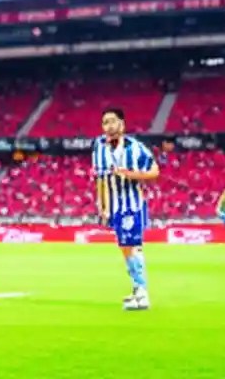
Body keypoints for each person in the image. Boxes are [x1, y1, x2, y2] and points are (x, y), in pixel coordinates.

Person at [92, 107, 159, 311]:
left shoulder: (135, 147)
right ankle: (137, 289)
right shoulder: (98, 147)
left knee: (133, 246)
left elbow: (155, 171)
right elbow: (100, 178)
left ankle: (143, 292)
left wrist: (131, 174)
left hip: (132, 204)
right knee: (124, 248)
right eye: (105, 122)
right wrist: (102, 206)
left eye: (112, 121)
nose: (108, 126)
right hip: (114, 208)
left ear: (122, 124)